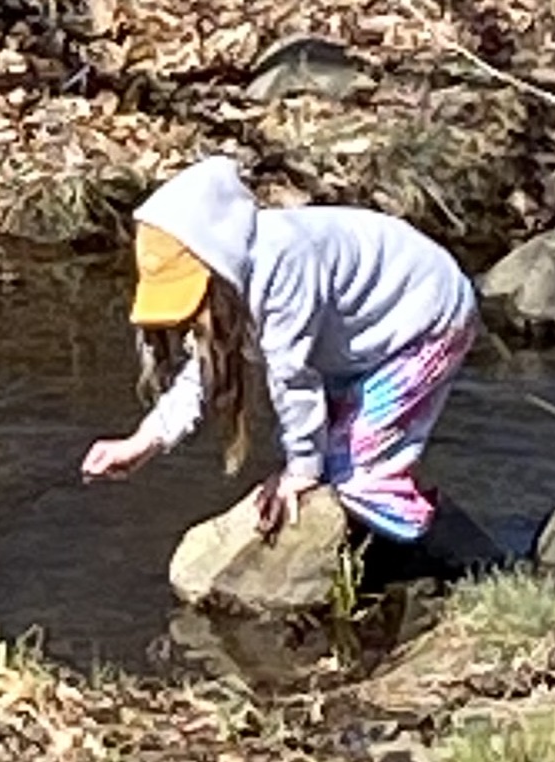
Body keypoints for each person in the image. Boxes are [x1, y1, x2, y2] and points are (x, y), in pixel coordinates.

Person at [81, 155, 480, 545]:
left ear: (219, 257)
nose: (190, 319)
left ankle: (431, 547)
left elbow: (293, 379)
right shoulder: (233, 275)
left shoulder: (284, 266)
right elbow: (204, 370)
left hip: (427, 319)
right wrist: (144, 440)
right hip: (359, 334)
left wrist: (301, 472)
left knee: (354, 472)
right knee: (319, 444)